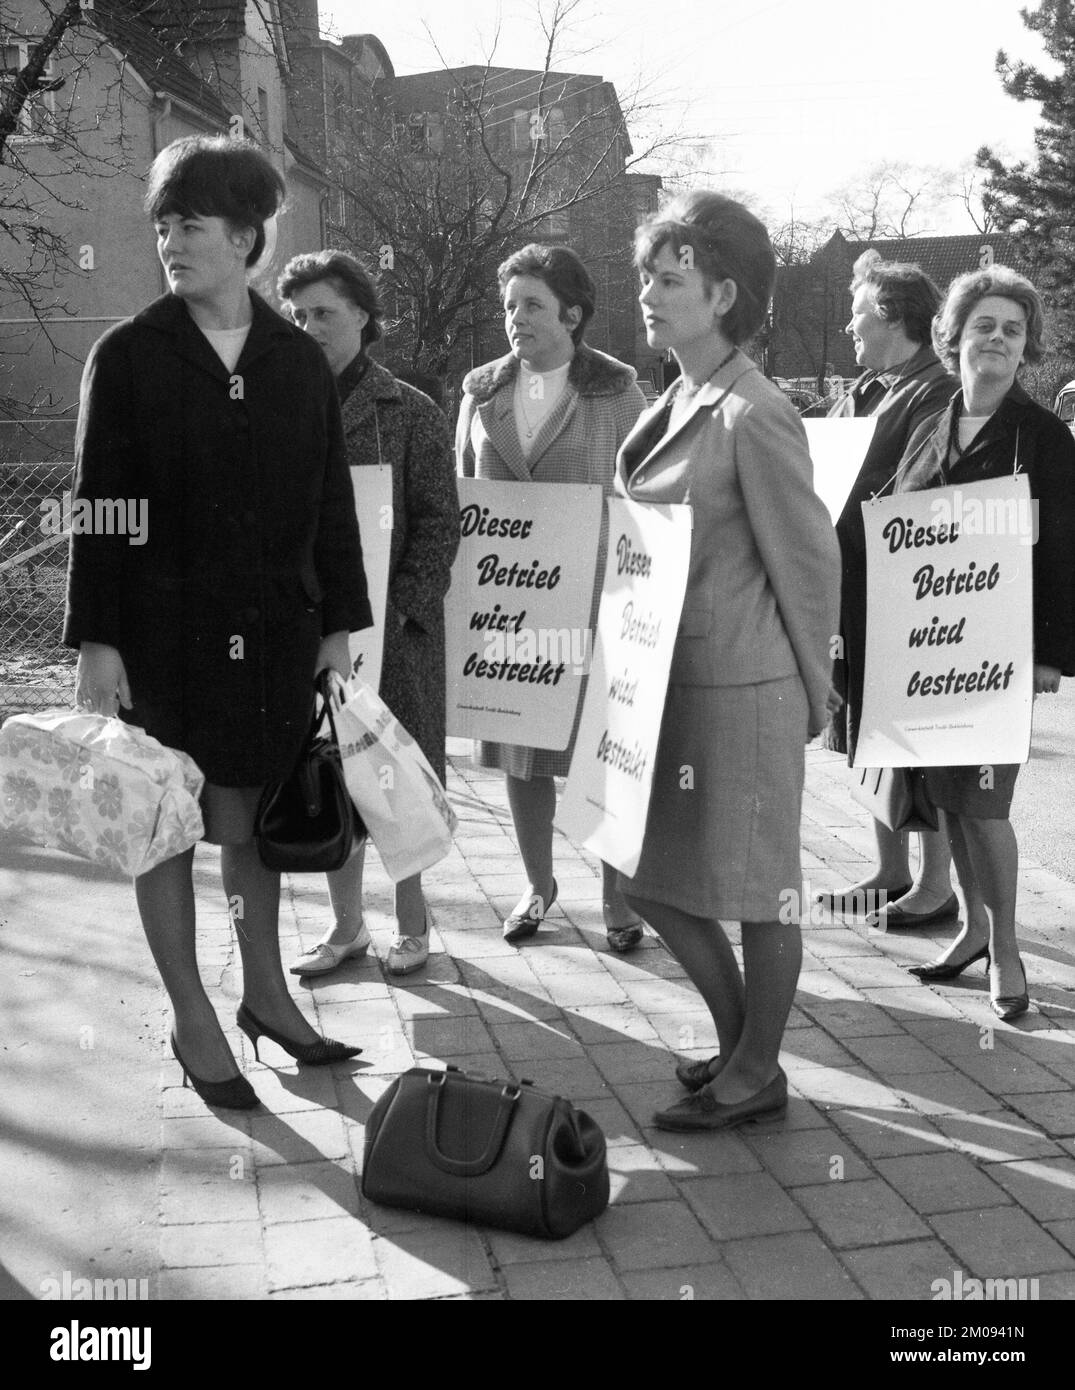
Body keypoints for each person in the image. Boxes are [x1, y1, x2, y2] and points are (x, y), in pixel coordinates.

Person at [64, 137, 370, 1110]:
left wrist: (338, 624)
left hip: (275, 637)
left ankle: (268, 994)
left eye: (190, 224)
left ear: (246, 238)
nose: (170, 241)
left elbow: (330, 500)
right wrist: (98, 644)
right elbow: (98, 506)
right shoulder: (129, 357)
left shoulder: (294, 361)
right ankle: (195, 1017)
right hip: (164, 643)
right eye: (162, 224)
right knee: (163, 825)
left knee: (251, 825)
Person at [617, 191, 842, 1130]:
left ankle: (754, 1075)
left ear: (723, 295)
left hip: (744, 688)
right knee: (644, 879)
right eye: (646, 278)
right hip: (668, 684)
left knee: (760, 892)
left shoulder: (754, 410)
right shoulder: (677, 396)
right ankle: (744, 1045)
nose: (649, 295)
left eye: (670, 280)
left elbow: (807, 560)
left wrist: (811, 696)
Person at [456, 244, 648, 951]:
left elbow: (647, 504)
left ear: (572, 313)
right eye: (508, 305)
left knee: (604, 751)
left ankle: (618, 900)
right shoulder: (480, 393)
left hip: (598, 609)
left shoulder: (618, 393)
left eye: (532, 305)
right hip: (508, 609)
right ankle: (537, 885)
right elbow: (461, 493)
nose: (516, 318)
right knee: (519, 751)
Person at [895, 266, 1075, 1020]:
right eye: (982, 327)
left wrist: (1047, 653)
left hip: (999, 653)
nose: (996, 339)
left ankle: (1006, 951)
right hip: (930, 655)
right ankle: (970, 930)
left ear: (1025, 345)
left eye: (1010, 329)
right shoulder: (931, 425)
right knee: (951, 803)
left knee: (985, 802)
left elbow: (1065, 550)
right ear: (954, 339)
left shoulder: (1040, 436)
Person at [277, 250, 460, 977]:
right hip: (311, 631)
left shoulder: (409, 413)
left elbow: (441, 524)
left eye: (323, 312)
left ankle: (411, 927)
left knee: (395, 775)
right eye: (297, 316)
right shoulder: (278, 408)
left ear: (360, 313)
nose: (309, 326)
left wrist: (405, 612)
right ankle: (347, 925)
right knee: (330, 768)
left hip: (398, 636)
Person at [817, 254, 959, 928]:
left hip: (900, 588)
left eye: (858, 312)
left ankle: (935, 885)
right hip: (852, 581)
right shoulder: (868, 388)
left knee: (909, 731)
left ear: (892, 317)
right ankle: (890, 868)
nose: (847, 325)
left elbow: (918, 486)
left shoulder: (936, 391)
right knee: (866, 726)